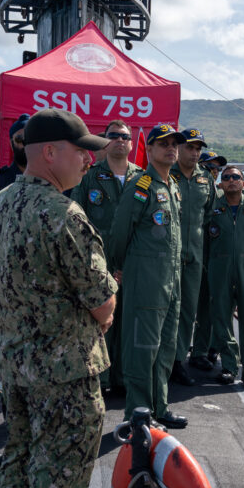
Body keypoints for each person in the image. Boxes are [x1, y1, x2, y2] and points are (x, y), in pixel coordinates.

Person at [0, 108, 116, 488]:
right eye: (81, 151)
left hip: (14, 366)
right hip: (64, 369)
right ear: (50, 153)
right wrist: (106, 315)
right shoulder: (63, 214)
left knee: (20, 452)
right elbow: (101, 300)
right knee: (64, 463)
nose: (88, 160)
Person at [107, 124, 187, 429]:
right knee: (143, 349)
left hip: (172, 280)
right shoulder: (140, 185)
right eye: (163, 144)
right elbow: (119, 233)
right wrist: (120, 267)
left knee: (166, 347)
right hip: (146, 280)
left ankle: (160, 407)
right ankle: (138, 415)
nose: (170, 149)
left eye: (174, 145)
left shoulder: (172, 185)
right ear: (149, 150)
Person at [70, 119, 141, 398]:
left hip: (133, 262)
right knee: (100, 322)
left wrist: (126, 265)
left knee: (127, 322)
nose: (120, 140)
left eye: (125, 136)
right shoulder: (90, 176)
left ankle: (123, 378)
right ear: (106, 141)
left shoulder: (142, 178)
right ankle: (100, 379)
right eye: (113, 136)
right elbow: (76, 216)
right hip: (98, 261)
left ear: (131, 143)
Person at [204, 165, 244, 391]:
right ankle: (230, 366)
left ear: (243, 182)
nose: (231, 180)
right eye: (226, 177)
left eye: (236, 177)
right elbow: (205, 243)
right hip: (219, 267)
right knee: (221, 318)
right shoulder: (213, 210)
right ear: (220, 183)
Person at [169, 128, 216, 386]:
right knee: (166, 308)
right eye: (190, 147)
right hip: (168, 253)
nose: (195, 152)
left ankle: (177, 362)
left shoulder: (205, 180)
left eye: (198, 149)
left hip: (194, 254)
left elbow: (207, 215)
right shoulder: (167, 174)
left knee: (187, 309)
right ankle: (162, 358)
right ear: (179, 148)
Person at [189, 150, 228, 372]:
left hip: (213, 257)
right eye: (209, 167)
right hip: (194, 253)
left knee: (209, 305)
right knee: (185, 306)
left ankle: (203, 349)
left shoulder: (222, 197)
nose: (213, 172)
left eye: (217, 169)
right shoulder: (189, 191)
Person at [0, 113, 30, 192]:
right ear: (11, 143)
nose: (25, 143)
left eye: (30, 138)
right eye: (19, 139)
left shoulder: (53, 180)